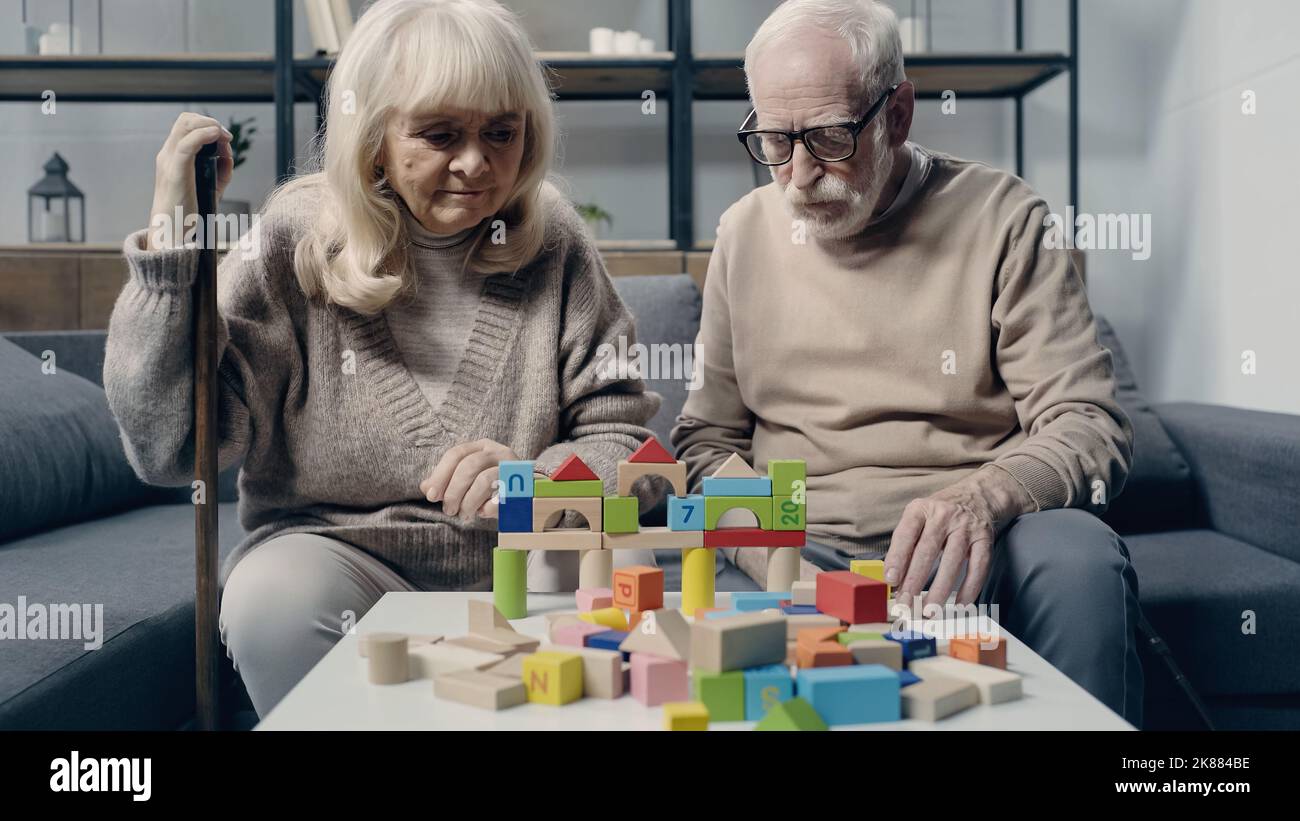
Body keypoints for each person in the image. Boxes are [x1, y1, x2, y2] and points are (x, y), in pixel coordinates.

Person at [104, 0, 659, 718]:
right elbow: (172, 448)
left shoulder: (552, 239)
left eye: (502, 132)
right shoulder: (291, 241)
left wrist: (540, 478)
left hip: (527, 556)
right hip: (345, 561)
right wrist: (170, 246)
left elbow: (628, 444)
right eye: (439, 134)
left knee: (626, 567)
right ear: (373, 137)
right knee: (271, 596)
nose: (475, 163)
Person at [670, 0, 1144, 725]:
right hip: (800, 544)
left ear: (897, 115)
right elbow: (704, 443)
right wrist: (779, 560)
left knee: (1081, 558)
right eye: (773, 140)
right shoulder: (742, 233)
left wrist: (983, 498)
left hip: (981, 542)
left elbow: (1088, 422)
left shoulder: (1003, 217)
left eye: (829, 137)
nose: (798, 175)